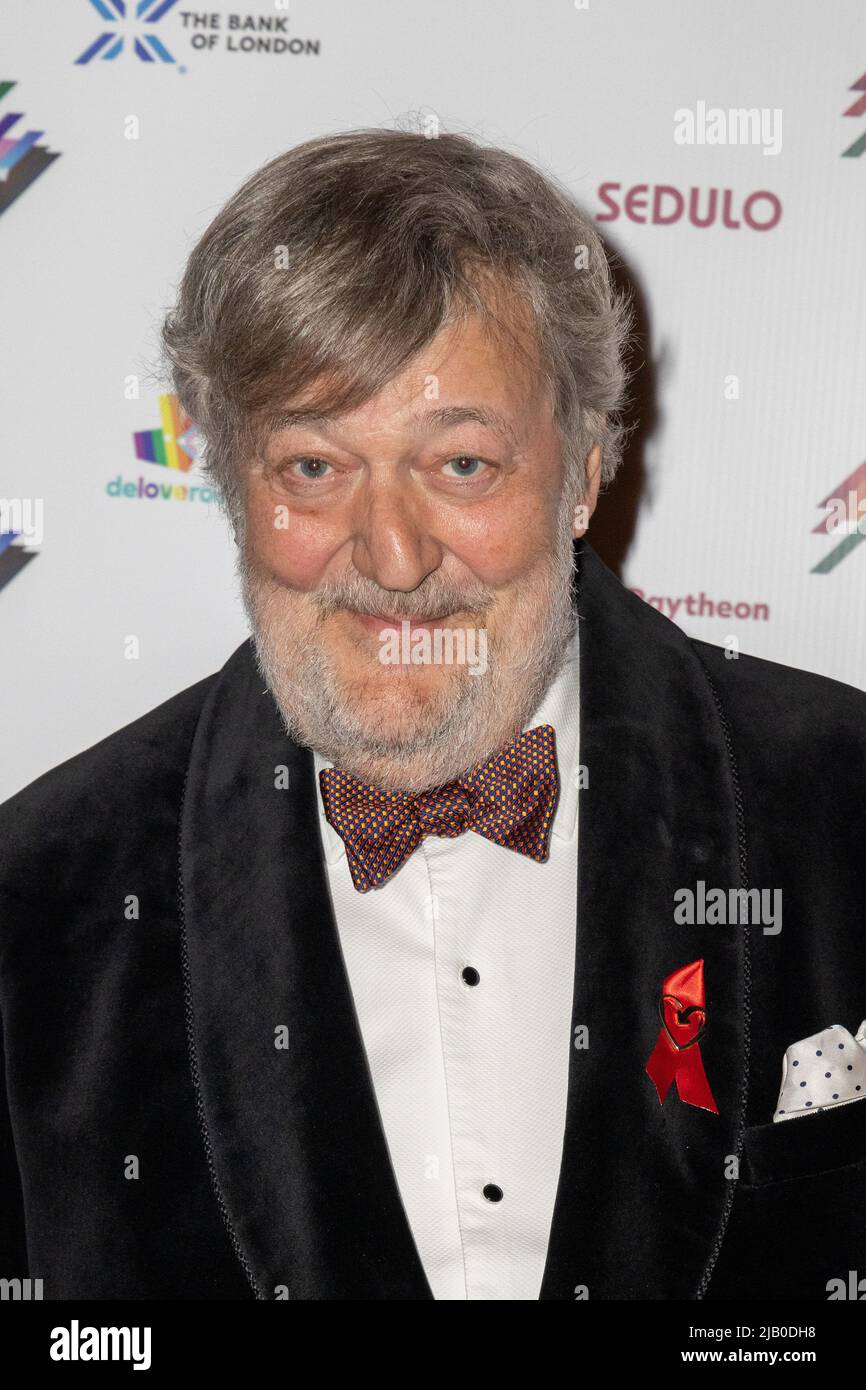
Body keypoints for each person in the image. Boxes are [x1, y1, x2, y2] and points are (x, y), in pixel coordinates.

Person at [1, 128, 865, 1302]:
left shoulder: (839, 806)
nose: (393, 558)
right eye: (312, 466)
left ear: (585, 473)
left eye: (461, 464)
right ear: (230, 484)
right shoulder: (40, 903)